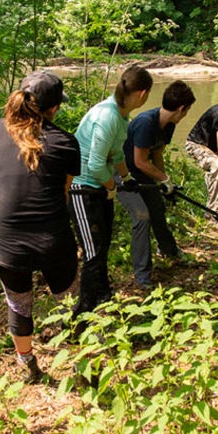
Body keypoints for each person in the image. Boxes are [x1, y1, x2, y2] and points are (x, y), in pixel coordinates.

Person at [0, 71, 80, 383]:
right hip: (53, 241)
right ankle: (80, 365)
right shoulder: (66, 141)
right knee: (70, 300)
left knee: (19, 302)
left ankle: (27, 365)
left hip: (7, 243)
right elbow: (63, 195)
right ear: (53, 109)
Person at [69, 65, 153, 314]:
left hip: (99, 187)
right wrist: (112, 186)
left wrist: (126, 177)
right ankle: (81, 314)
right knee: (92, 252)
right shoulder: (108, 115)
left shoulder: (122, 115)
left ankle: (104, 295)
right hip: (82, 188)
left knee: (103, 245)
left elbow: (115, 153)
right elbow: (95, 164)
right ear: (142, 94)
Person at [118, 80, 196, 288]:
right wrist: (163, 179)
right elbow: (139, 161)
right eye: (187, 110)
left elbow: (157, 154)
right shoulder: (146, 123)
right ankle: (142, 275)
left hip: (141, 174)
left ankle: (170, 251)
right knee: (142, 216)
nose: (186, 114)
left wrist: (164, 181)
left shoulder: (168, 125)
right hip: (123, 175)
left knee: (158, 208)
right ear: (181, 109)